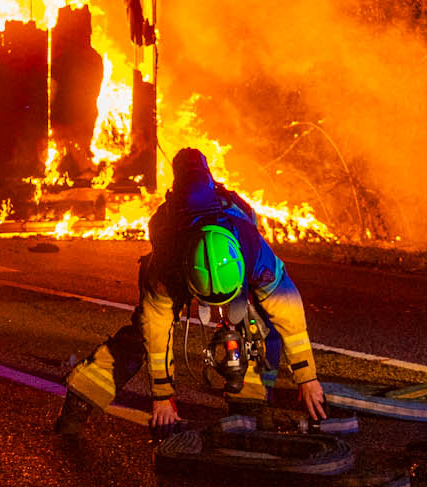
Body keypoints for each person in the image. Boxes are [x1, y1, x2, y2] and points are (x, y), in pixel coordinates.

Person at [55, 148, 327, 437]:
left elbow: (288, 312)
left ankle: (249, 403)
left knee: (262, 324)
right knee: (141, 338)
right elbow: (157, 336)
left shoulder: (253, 249)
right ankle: (80, 400)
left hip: (230, 277)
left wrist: (307, 377)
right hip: (178, 274)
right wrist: (161, 396)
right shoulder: (165, 268)